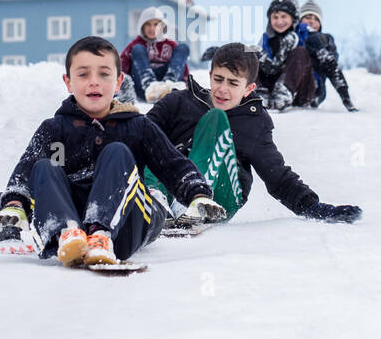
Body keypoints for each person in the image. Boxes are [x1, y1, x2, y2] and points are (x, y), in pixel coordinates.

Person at [0, 36, 226, 265]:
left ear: (118, 82)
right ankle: (64, 234)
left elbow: (173, 164)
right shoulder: (54, 129)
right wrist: (15, 204)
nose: (94, 81)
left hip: (128, 222)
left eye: (104, 74)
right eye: (83, 75)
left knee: (116, 152)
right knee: (37, 171)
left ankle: (101, 234)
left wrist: (198, 194)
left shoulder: (138, 126)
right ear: (68, 82)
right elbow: (28, 169)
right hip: (76, 216)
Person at [145, 42, 362, 223]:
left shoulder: (254, 122)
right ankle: (156, 201)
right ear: (210, 75)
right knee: (149, 137)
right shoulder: (179, 102)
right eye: (218, 79)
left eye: (233, 83)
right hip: (170, 188)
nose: (222, 89)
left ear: (248, 88)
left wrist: (315, 208)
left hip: (221, 195)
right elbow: (139, 134)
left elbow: (277, 176)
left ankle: (193, 204)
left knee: (216, 119)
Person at [254, 0, 317, 111]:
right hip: (272, 90)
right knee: (253, 54)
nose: (279, 21)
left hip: (302, 91)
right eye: (275, 17)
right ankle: (260, 93)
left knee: (300, 52)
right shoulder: (265, 39)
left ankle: (284, 92)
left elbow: (326, 62)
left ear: (293, 19)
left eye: (284, 16)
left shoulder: (306, 34)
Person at [117, 6, 189, 104]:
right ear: (142, 27)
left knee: (183, 48)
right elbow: (122, 66)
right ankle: (149, 84)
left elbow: (182, 67)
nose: (152, 28)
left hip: (168, 86)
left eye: (156, 24)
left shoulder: (170, 44)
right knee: (137, 49)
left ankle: (169, 82)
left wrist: (188, 88)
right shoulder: (135, 44)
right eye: (148, 25)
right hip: (143, 89)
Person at [297, 0, 357, 112]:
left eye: (316, 19)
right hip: (291, 82)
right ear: (299, 20)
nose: (312, 21)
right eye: (308, 17)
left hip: (315, 87)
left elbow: (331, 65)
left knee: (319, 47)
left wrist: (345, 96)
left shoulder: (326, 39)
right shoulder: (292, 37)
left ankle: (311, 95)